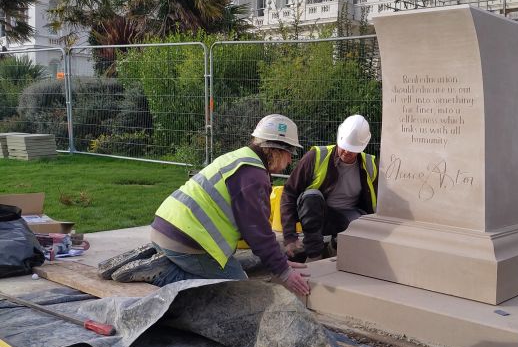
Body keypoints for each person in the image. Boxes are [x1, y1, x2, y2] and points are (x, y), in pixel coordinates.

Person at [107, 114, 310, 296]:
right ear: (276, 150)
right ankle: (164, 273)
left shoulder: (240, 158)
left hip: (167, 229)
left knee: (229, 275)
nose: (290, 161)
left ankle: (163, 258)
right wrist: (284, 272)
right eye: (290, 153)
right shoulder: (253, 176)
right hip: (187, 242)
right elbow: (257, 232)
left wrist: (279, 261)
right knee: (238, 290)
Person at [281, 114, 378, 262]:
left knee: (361, 225)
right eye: (344, 147)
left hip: (347, 217)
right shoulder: (316, 156)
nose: (347, 152)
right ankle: (314, 255)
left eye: (352, 149)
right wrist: (289, 236)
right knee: (311, 197)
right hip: (318, 215)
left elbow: (376, 203)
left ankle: (336, 246)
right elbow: (289, 192)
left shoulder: (370, 165)